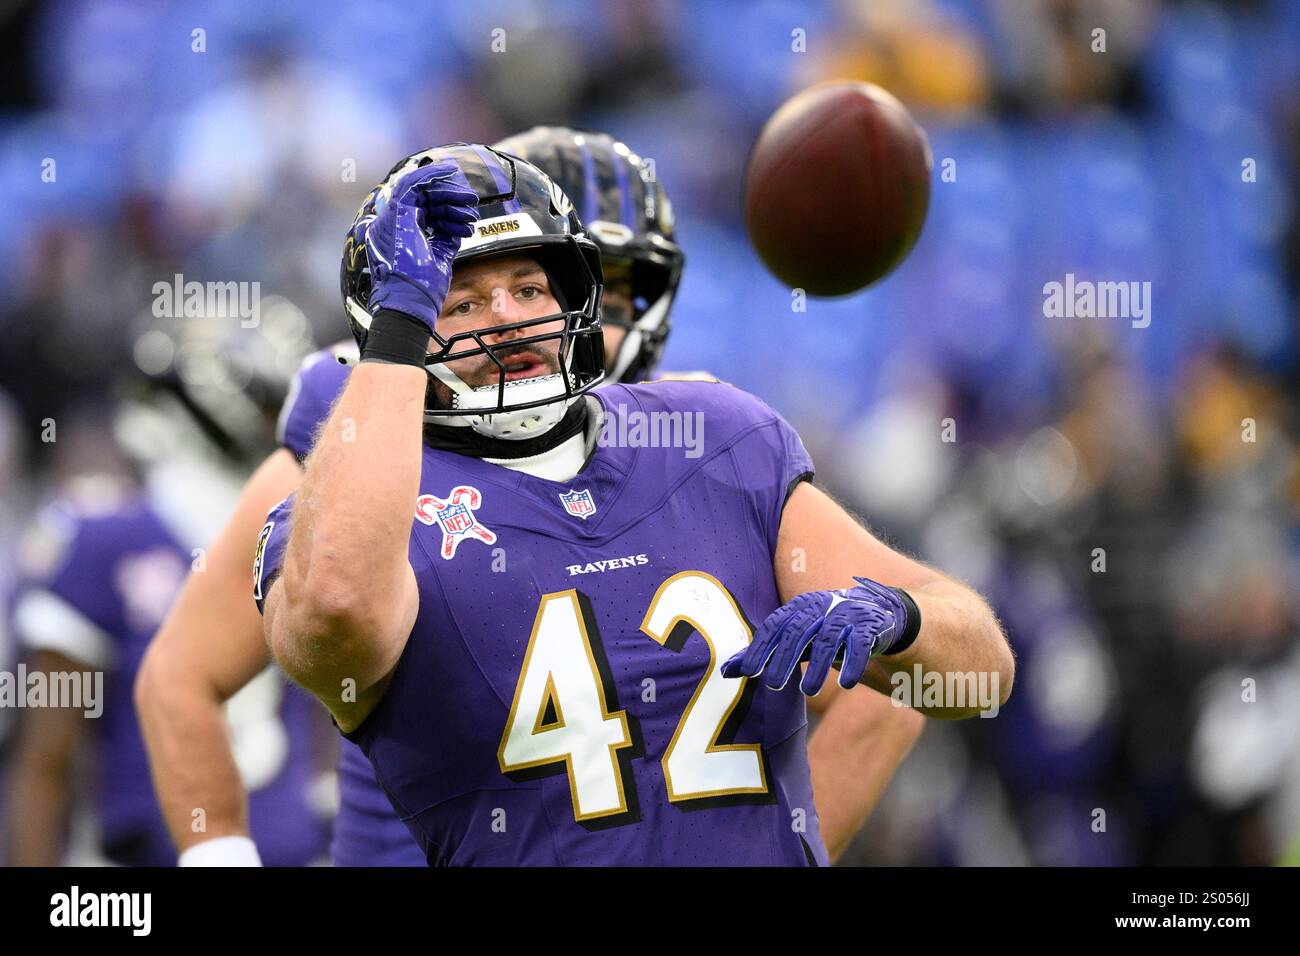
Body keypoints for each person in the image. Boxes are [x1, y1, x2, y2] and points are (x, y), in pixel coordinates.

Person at [138, 129, 925, 866]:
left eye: (619, 289)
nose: (516, 319)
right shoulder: (363, 397)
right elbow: (185, 670)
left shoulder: (699, 431)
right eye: (479, 288)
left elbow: (888, 691)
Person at [6, 308, 332, 866]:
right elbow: (46, 764)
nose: (277, 419)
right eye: (266, 404)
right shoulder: (106, 537)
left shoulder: (303, 521)